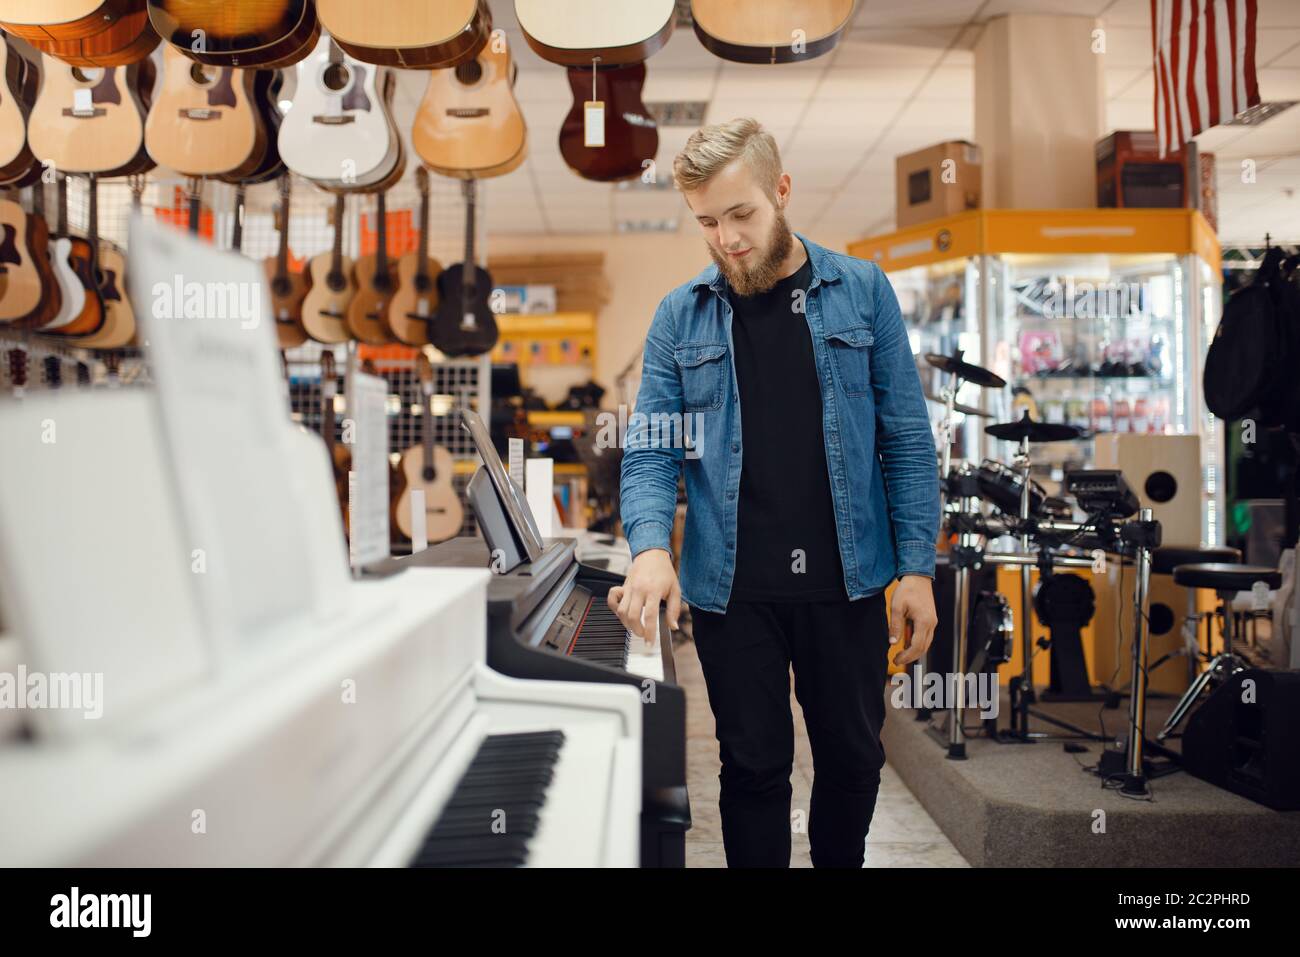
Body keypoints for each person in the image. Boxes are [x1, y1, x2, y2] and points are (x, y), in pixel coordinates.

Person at [609, 117, 941, 868]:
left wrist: (916, 566)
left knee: (854, 762)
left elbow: (908, 441)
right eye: (707, 222)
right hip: (734, 592)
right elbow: (651, 454)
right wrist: (651, 547)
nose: (726, 238)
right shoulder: (677, 316)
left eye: (742, 214)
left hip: (849, 581)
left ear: (782, 191)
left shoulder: (861, 292)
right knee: (754, 769)